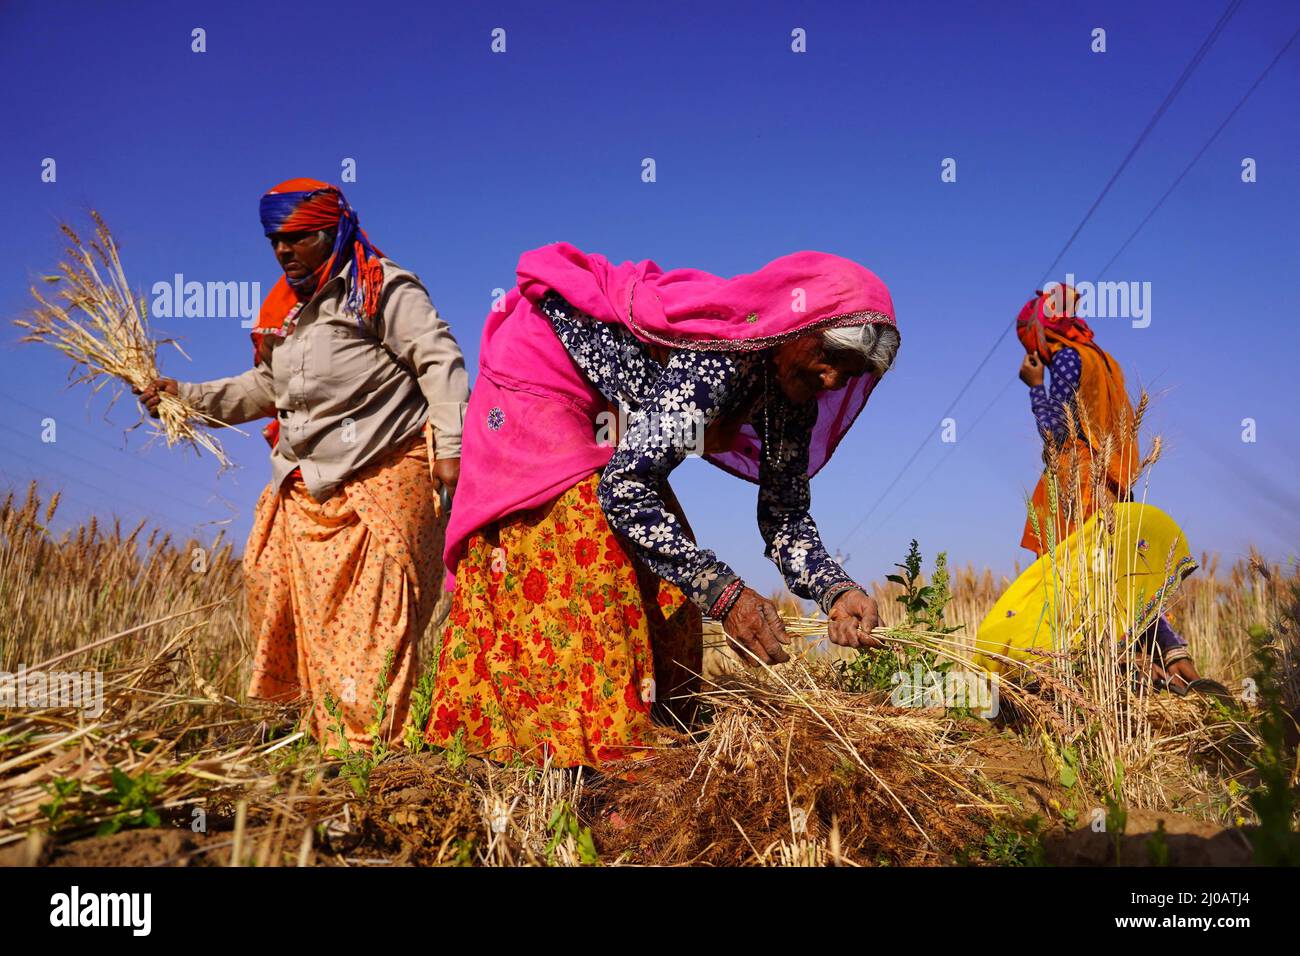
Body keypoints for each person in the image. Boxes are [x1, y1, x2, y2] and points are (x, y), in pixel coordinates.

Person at [425, 242, 900, 768]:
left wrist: (835, 589)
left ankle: (661, 730)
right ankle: (574, 746)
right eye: (829, 357)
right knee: (588, 547)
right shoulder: (721, 361)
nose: (831, 379)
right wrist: (725, 595)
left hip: (613, 405)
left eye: (848, 371)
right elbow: (626, 489)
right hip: (541, 361)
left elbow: (784, 516)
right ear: (794, 326)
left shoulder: (794, 394)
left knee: (670, 577)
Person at [137, 178, 469, 749]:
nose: (284, 252)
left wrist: (451, 449)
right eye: (275, 242)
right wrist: (182, 398)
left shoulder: (381, 290)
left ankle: (365, 753)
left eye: (299, 239)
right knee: (273, 585)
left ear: (335, 231)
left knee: (372, 617)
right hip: (307, 481)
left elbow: (439, 360)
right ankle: (315, 733)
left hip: (384, 470)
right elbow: (267, 386)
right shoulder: (285, 313)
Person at [1012, 285, 1200, 689]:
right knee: (1119, 576)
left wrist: (1033, 384)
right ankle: (1172, 655)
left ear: (1040, 332)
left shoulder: (1064, 360)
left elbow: (1056, 433)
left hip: (1078, 484)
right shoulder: (1104, 360)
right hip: (1113, 484)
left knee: (1080, 583)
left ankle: (1126, 672)